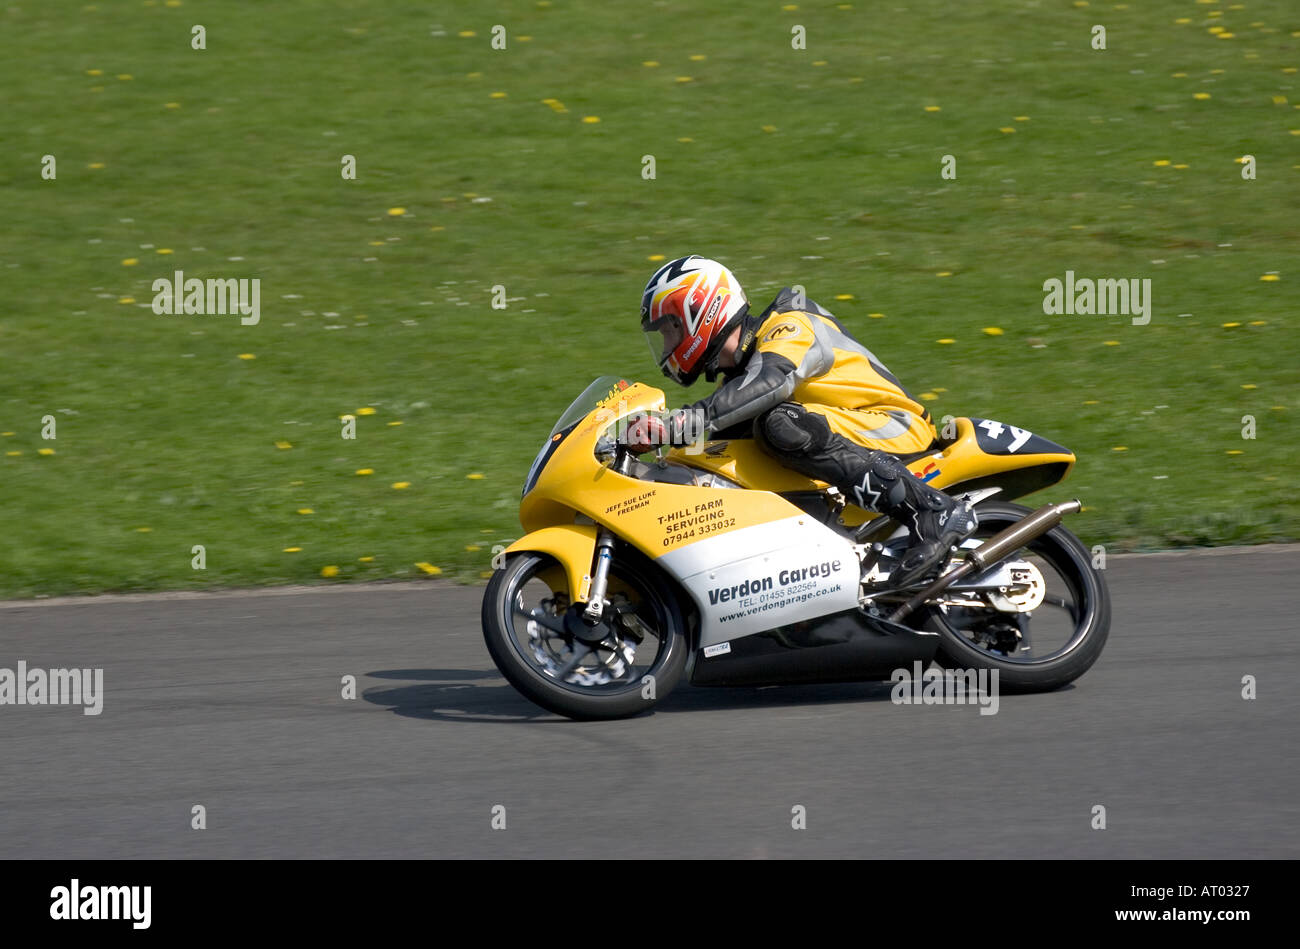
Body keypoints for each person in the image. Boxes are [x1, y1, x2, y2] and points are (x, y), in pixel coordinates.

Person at [626, 254, 976, 587]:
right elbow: (716, 421)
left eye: (669, 331)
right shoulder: (736, 383)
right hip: (851, 432)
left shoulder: (790, 324)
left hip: (895, 426)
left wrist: (677, 423)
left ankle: (932, 510)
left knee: (779, 423)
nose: (667, 346)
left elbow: (772, 382)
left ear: (698, 311)